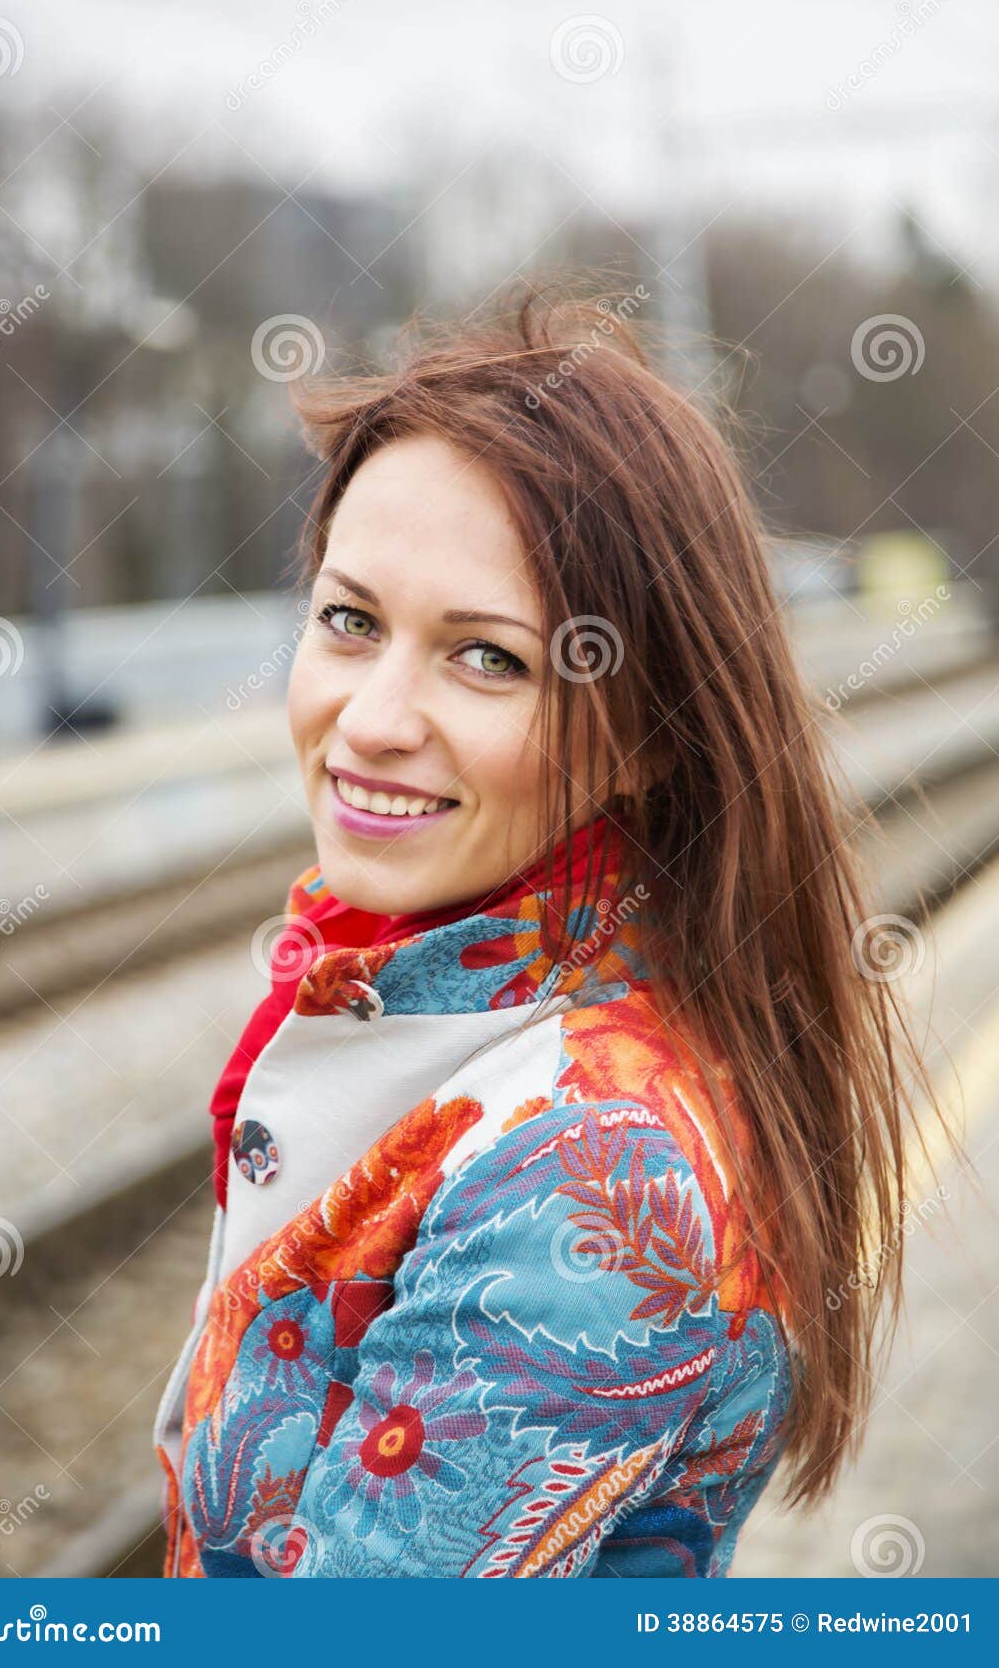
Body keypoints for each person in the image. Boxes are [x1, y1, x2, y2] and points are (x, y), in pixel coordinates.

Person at [153, 280, 937, 1578]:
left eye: (487, 658)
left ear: (639, 734)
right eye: (350, 622)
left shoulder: (584, 1170)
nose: (373, 718)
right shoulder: (429, 995)